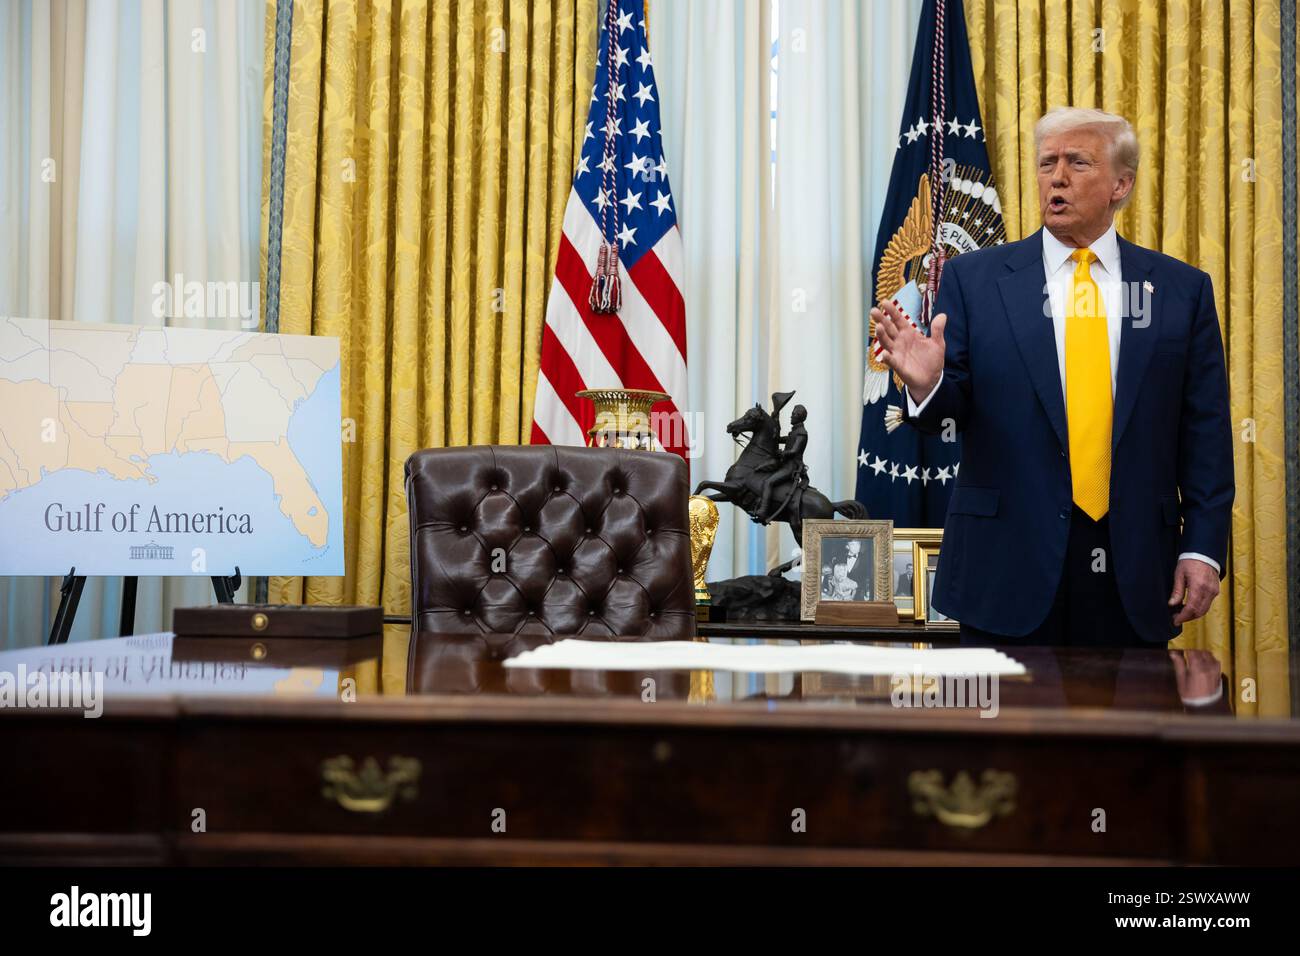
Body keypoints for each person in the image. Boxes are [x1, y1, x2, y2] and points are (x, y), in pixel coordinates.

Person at [872, 107, 1233, 647]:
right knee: (1005, 733)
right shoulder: (975, 280)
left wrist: (1202, 549)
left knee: (1127, 731)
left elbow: (1205, 434)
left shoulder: (1182, 291)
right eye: (1046, 163)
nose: (1056, 177)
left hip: (1135, 571)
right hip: (1004, 568)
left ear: (1121, 184)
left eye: (1077, 163)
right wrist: (927, 384)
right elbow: (955, 409)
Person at [757, 404, 809, 522]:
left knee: (769, 482)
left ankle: (763, 511)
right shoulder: (794, 431)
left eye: (793, 414)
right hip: (785, 464)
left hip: (791, 467)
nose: (791, 416)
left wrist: (782, 454)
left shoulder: (801, 433)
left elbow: (794, 450)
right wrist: (776, 418)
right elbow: (779, 439)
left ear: (799, 416)